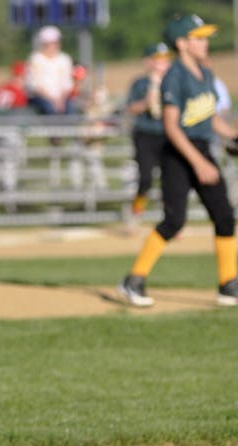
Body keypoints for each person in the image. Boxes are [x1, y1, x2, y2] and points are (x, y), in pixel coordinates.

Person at [118, 14, 238, 308]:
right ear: (182, 44)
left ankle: (228, 284)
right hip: (178, 154)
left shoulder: (204, 74)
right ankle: (133, 280)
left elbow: (208, 118)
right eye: (198, 38)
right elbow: (171, 127)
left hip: (201, 149)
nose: (205, 42)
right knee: (174, 220)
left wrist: (233, 135)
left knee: (224, 216)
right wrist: (198, 163)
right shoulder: (175, 76)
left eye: (205, 37)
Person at [126, 42, 172, 217]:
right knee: (145, 176)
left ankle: (171, 217)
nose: (163, 63)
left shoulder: (173, 81)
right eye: (158, 60)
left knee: (170, 179)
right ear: (149, 62)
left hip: (168, 133)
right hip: (145, 134)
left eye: (165, 59)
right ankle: (137, 207)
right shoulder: (140, 83)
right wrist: (151, 95)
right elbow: (132, 107)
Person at [26, 25, 74, 116]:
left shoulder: (64, 59)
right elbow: (34, 85)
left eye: (54, 43)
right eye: (48, 44)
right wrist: (52, 99)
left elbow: (67, 83)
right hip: (41, 97)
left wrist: (61, 100)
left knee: (69, 109)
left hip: (61, 98)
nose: (52, 47)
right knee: (50, 109)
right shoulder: (35, 59)